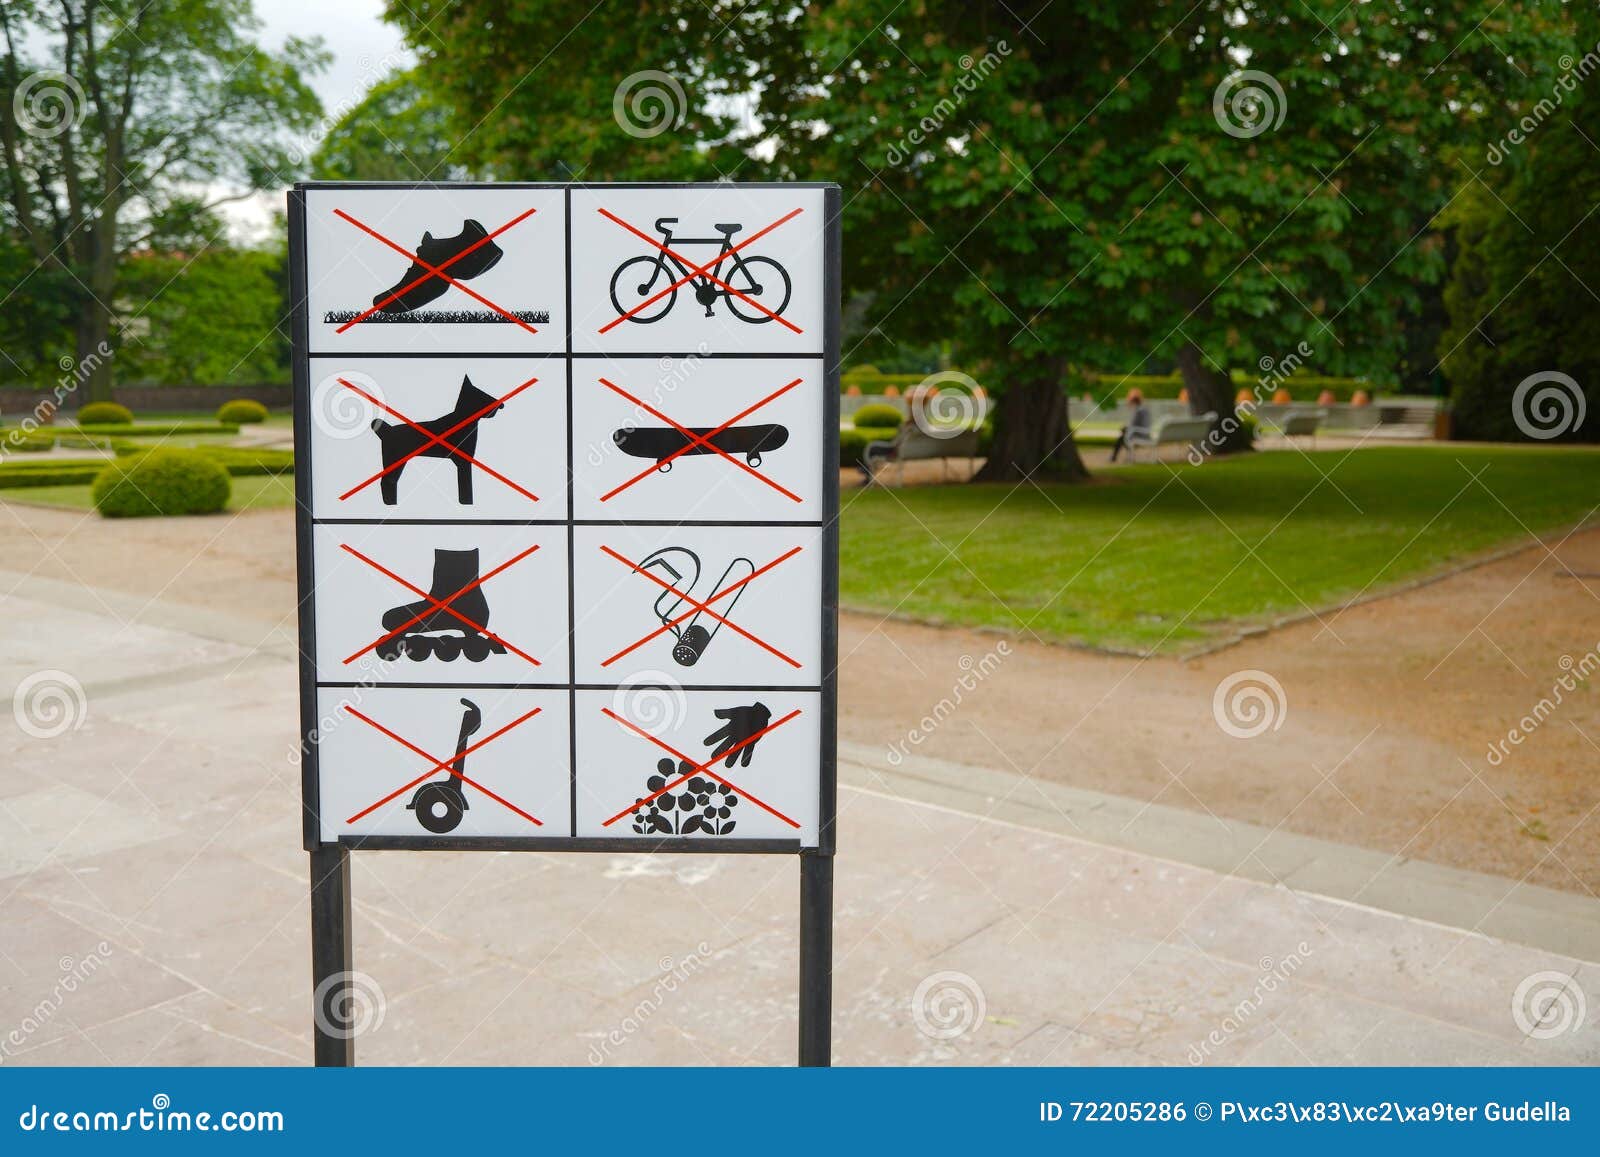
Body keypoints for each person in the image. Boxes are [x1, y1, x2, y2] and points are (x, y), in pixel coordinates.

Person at [1109, 389, 1151, 462]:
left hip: (1140, 434)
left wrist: (1124, 428)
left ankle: (1114, 457)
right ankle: (1120, 456)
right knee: (1123, 436)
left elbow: (1133, 425)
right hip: (1144, 433)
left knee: (1122, 436)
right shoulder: (1143, 409)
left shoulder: (1139, 410)